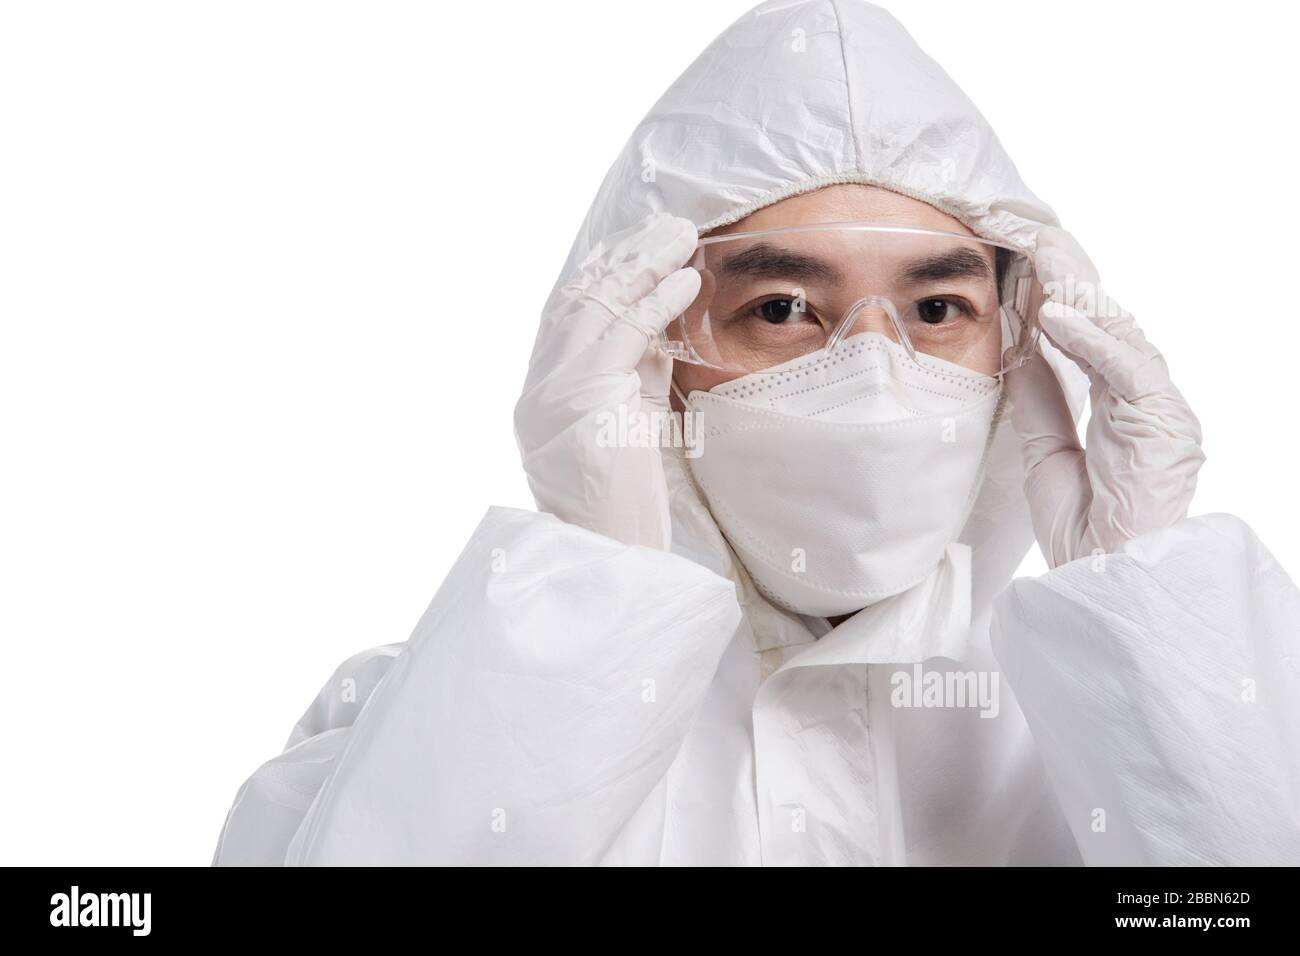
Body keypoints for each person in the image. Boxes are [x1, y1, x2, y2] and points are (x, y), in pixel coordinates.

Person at [213, 0, 1300, 866]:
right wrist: (589, 597)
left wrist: (1147, 620)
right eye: (783, 308)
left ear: (1018, 347)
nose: (875, 372)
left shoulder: (1098, 719)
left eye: (935, 310)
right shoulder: (445, 705)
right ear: (647, 351)